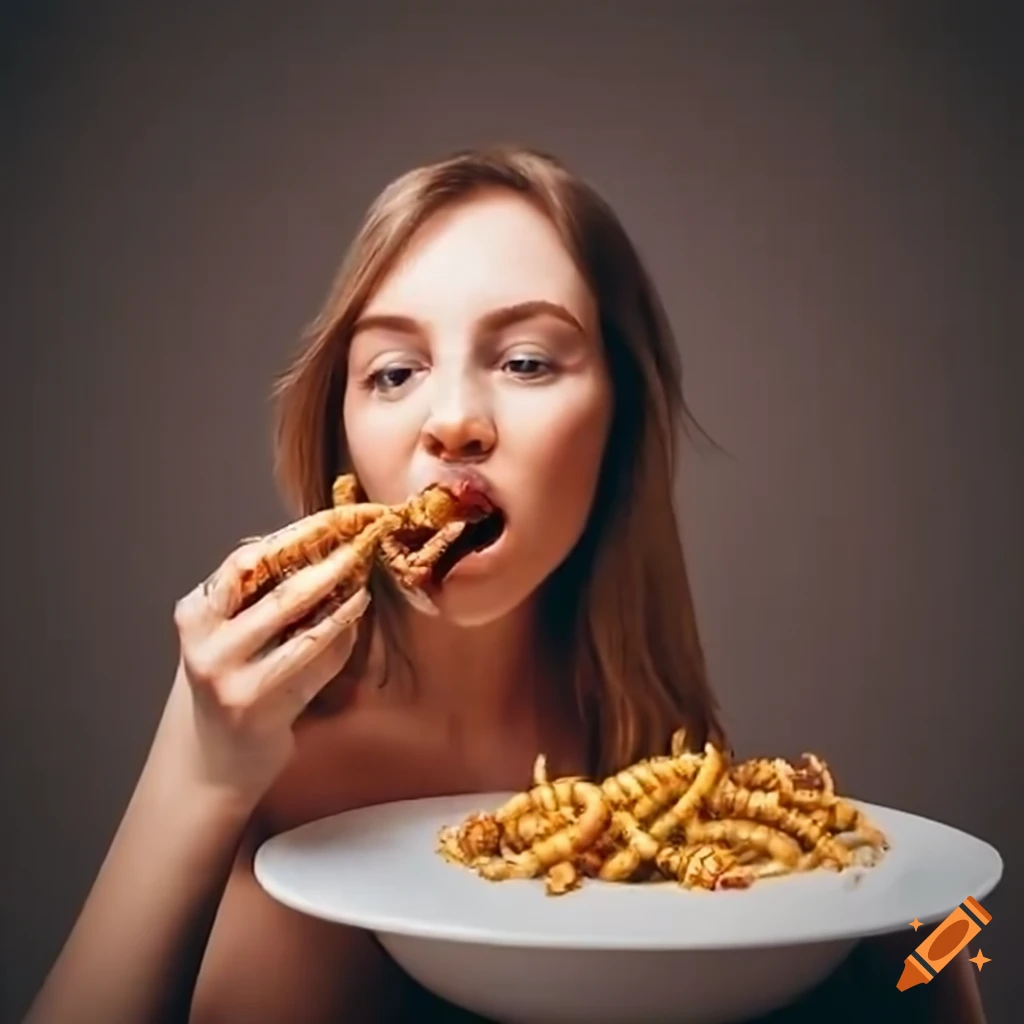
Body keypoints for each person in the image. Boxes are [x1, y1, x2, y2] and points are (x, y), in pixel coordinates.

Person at [26, 146, 986, 1023]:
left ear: (617, 420)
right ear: (342, 433)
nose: (452, 420)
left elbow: (943, 936)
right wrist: (197, 767)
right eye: (393, 372)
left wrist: (931, 941)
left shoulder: (657, 766)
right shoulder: (252, 743)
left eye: (526, 361)